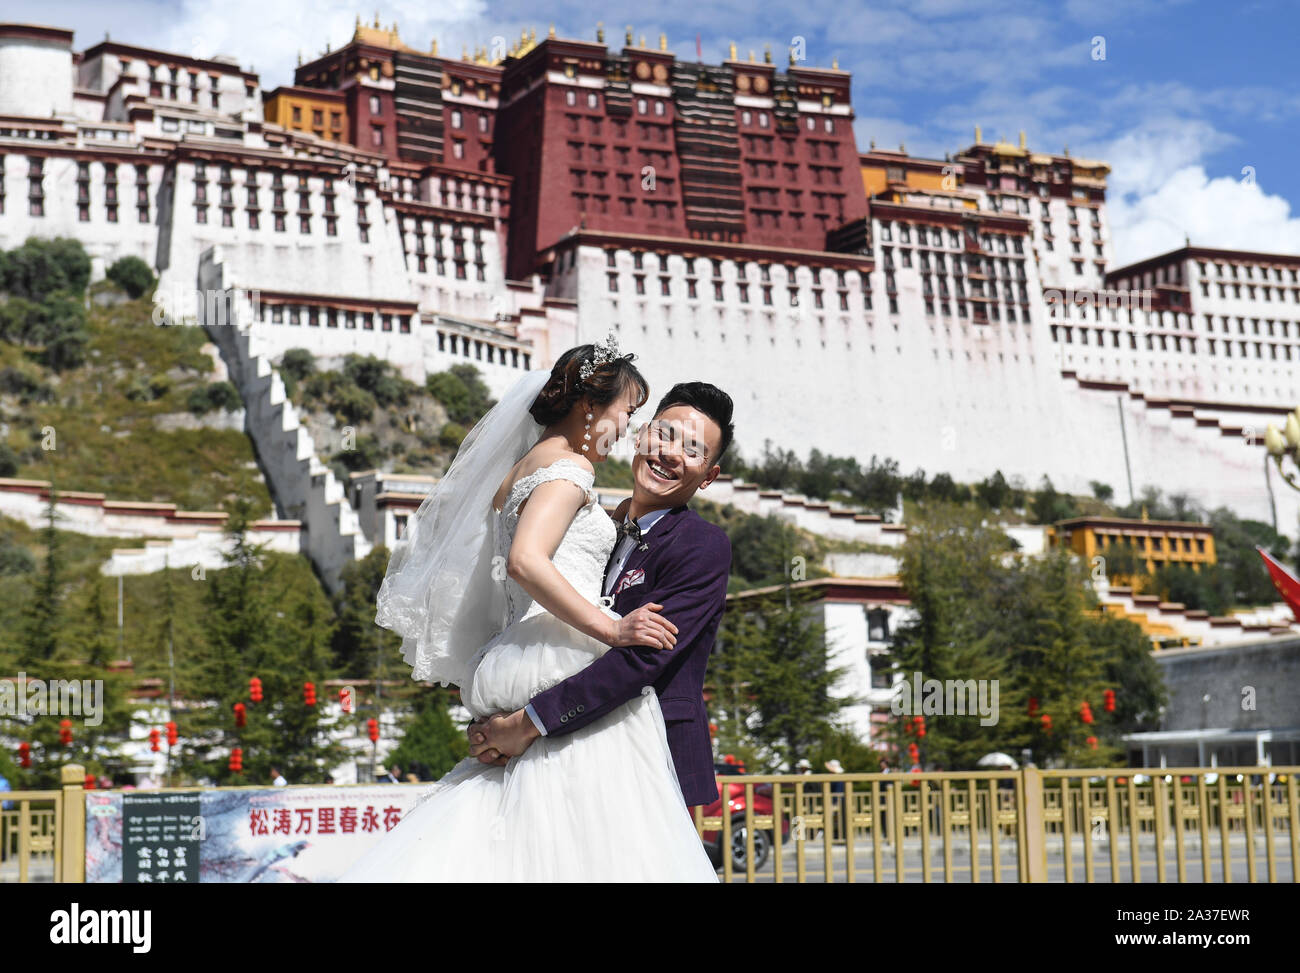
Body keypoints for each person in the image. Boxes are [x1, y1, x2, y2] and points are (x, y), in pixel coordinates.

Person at [338, 336, 733, 882]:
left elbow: (642, 661)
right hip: (560, 730)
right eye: (657, 430)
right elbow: (524, 592)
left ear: (708, 475)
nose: (667, 452)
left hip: (646, 752)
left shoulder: (701, 545)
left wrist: (524, 721)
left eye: (692, 449)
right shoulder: (584, 500)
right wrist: (502, 715)